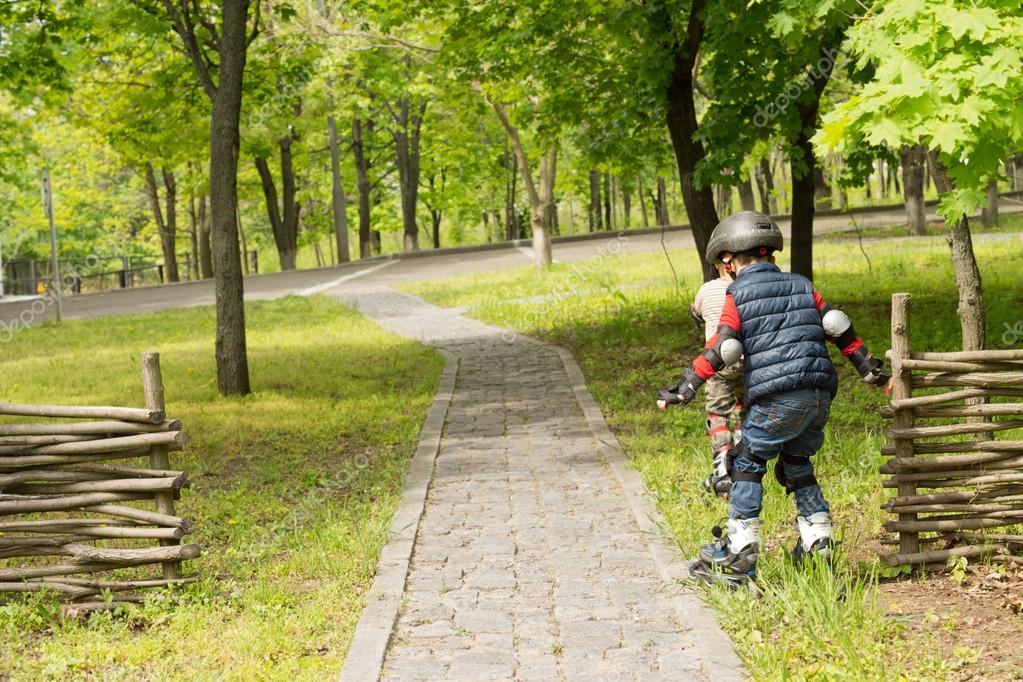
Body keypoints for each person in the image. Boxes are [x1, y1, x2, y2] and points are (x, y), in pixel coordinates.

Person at [657, 211, 892, 587]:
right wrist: (871, 371)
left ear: (730, 260)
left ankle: (738, 556)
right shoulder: (802, 285)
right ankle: (818, 543)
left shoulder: (738, 293)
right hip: (818, 397)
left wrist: (684, 388)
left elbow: (725, 346)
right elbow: (836, 326)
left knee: (745, 463)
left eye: (722, 262)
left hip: (776, 400)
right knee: (796, 464)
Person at [690, 260, 746, 499]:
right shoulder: (747, 288)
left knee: (718, 415)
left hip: (718, 361)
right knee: (746, 412)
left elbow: (696, 313)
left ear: (717, 263)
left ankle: (723, 474)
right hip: (747, 359)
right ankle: (747, 465)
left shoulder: (707, 289)